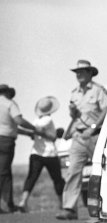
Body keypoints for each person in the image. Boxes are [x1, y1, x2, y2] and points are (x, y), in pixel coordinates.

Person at [56, 59, 107, 220]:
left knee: (101, 171)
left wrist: (93, 127)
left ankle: (105, 206)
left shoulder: (98, 90)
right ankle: (69, 209)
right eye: (76, 72)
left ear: (89, 73)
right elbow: (73, 116)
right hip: (78, 136)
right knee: (73, 171)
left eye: (81, 71)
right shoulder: (75, 92)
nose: (78, 75)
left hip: (94, 135)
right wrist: (72, 112)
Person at [16, 96, 65, 212]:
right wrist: (51, 136)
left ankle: (23, 201)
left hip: (36, 152)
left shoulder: (35, 121)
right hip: (50, 153)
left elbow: (35, 133)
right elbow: (42, 131)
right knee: (57, 179)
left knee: (31, 177)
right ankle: (61, 203)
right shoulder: (48, 120)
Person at [0, 83, 36, 213]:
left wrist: (27, 133)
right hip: (5, 141)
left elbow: (11, 127)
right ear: (8, 93)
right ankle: (7, 204)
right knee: (4, 173)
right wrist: (33, 128)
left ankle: (9, 204)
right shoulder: (10, 103)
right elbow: (18, 121)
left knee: (5, 172)